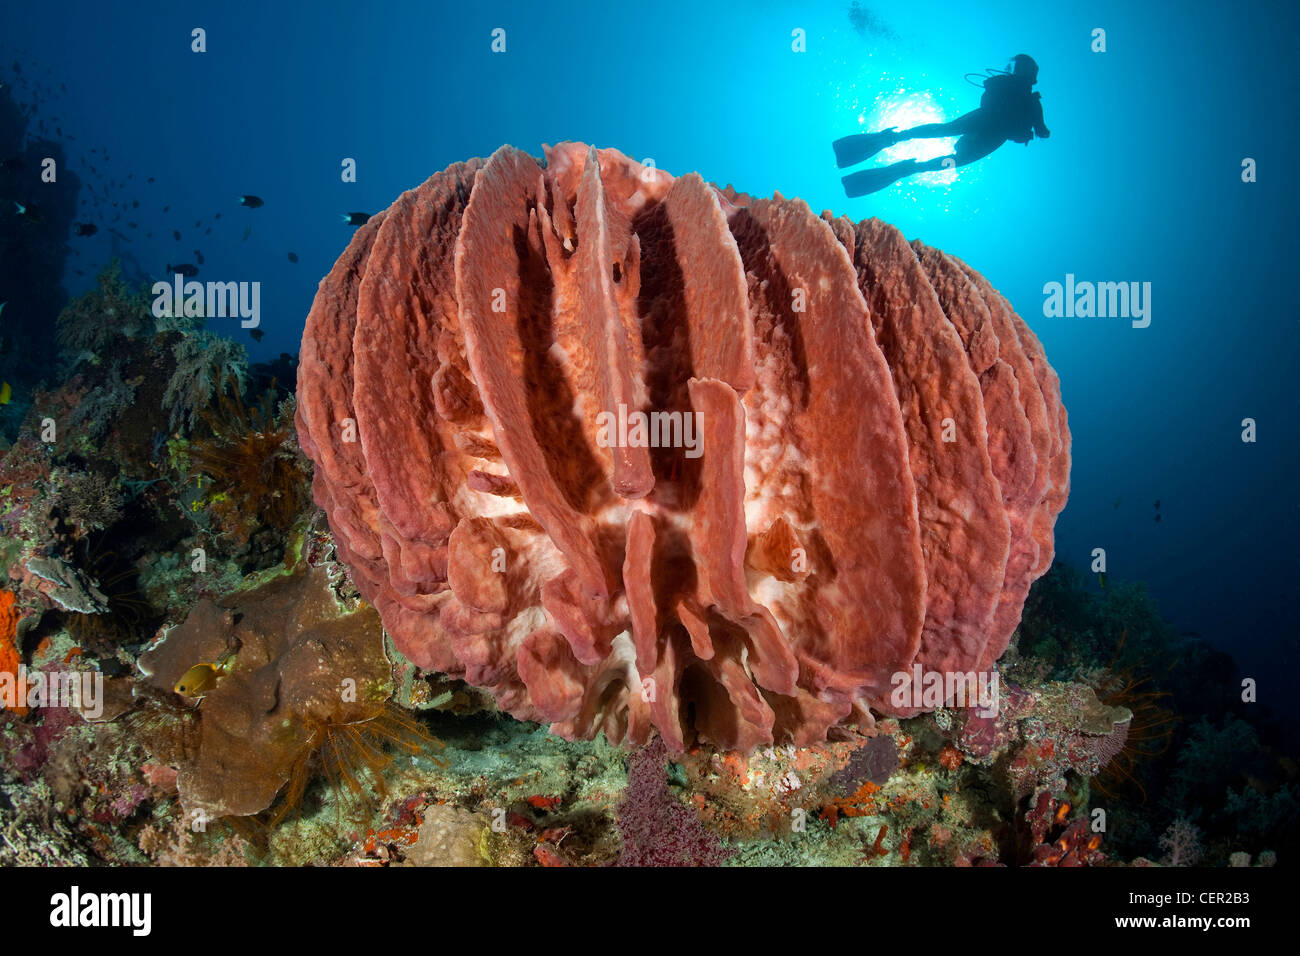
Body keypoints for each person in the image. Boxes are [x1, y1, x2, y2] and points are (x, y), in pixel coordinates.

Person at [834, 54, 1050, 197]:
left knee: (946, 131)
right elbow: (1043, 132)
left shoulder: (1013, 89)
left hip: (984, 120)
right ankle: (911, 165)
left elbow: (990, 97)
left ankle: (897, 138)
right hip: (993, 133)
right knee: (955, 159)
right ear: (1032, 76)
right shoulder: (1032, 103)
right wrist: (1031, 131)